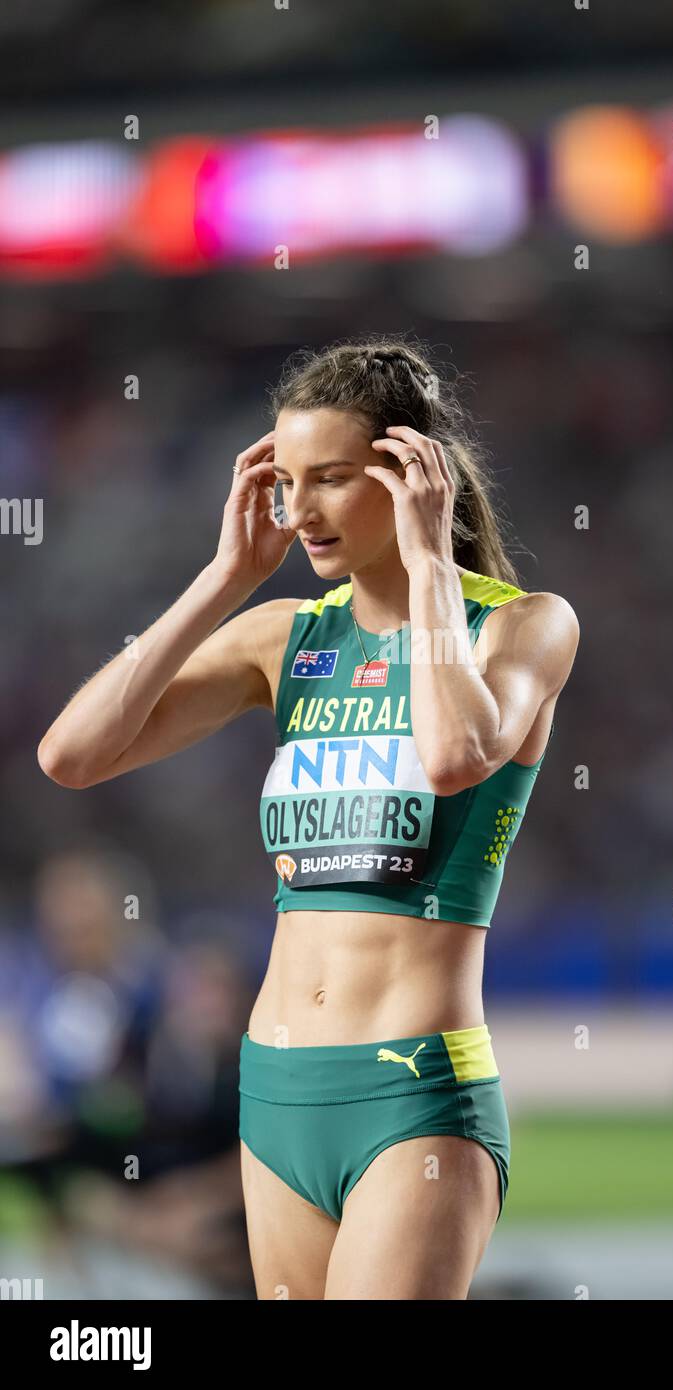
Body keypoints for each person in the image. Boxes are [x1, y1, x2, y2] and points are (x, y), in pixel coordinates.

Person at [37, 336, 580, 1300]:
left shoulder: (522, 624)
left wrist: (426, 567)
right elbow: (71, 756)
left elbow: (456, 757)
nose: (301, 508)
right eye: (287, 479)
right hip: (277, 1088)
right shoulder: (284, 638)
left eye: (331, 477)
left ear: (418, 477)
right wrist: (224, 579)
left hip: (412, 1092)